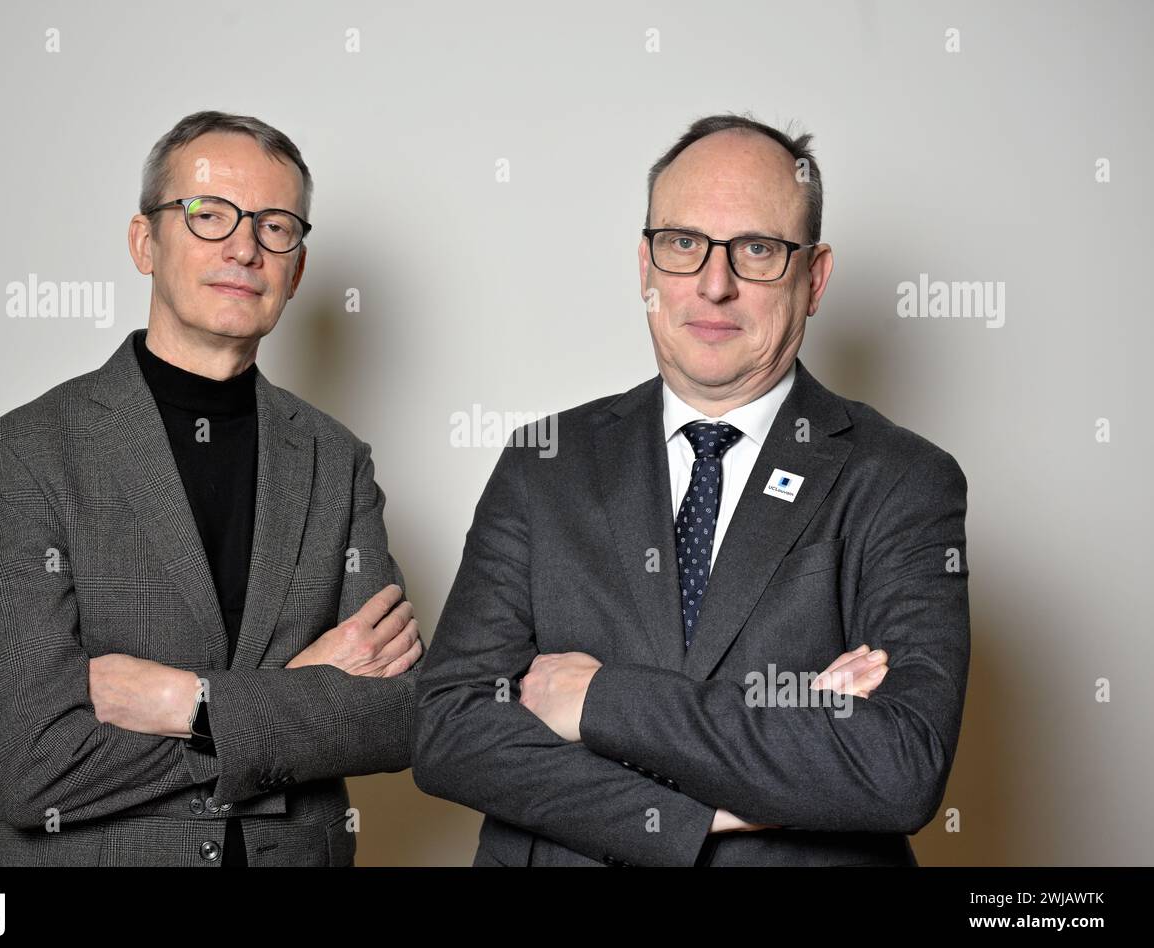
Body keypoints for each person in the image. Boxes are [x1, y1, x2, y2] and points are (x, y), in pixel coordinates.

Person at [412, 113, 970, 866]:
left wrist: (600, 701)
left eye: (758, 250)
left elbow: (898, 765)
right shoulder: (544, 461)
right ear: (645, 267)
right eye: (684, 245)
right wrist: (710, 810)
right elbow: (450, 728)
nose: (715, 284)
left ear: (815, 277)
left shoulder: (903, 481)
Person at [0, 110, 421, 866]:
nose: (244, 246)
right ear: (146, 243)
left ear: (297, 270)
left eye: (276, 226)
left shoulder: (337, 460)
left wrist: (189, 704)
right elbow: (33, 766)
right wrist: (294, 698)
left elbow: (399, 718)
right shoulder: (25, 453)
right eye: (209, 215)